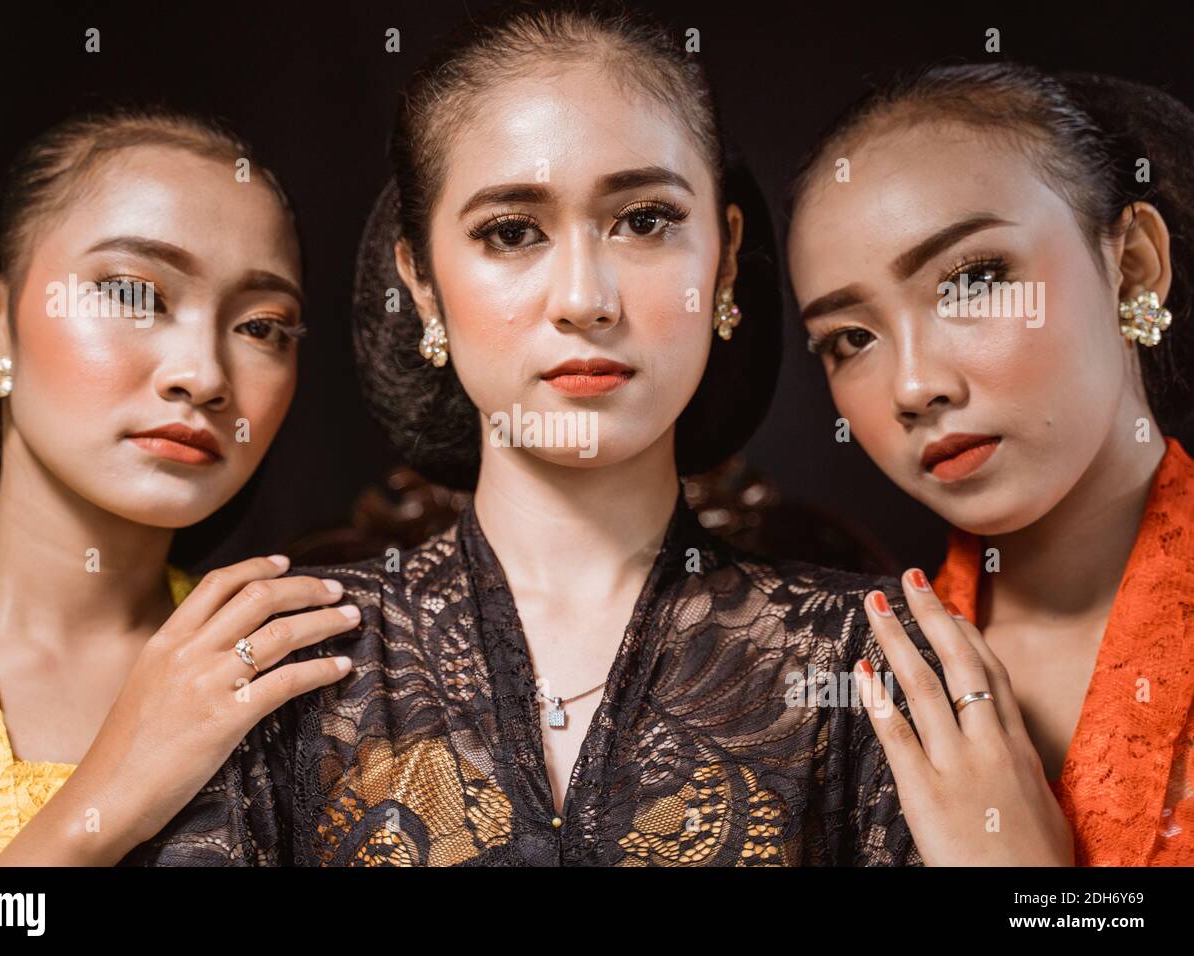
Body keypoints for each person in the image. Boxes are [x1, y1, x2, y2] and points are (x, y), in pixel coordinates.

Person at [122, 4, 1053, 867]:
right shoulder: (281, 663)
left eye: (645, 221)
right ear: (421, 284)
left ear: (724, 260)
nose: (584, 300)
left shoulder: (880, 662)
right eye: (513, 231)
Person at [0, 107, 358, 866]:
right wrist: (98, 809)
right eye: (136, 294)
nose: (204, 375)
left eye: (262, 327)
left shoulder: (318, 681)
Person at [787, 62, 1194, 864]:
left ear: (1134, 266)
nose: (913, 386)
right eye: (850, 340)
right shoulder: (837, 677)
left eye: (971, 281)